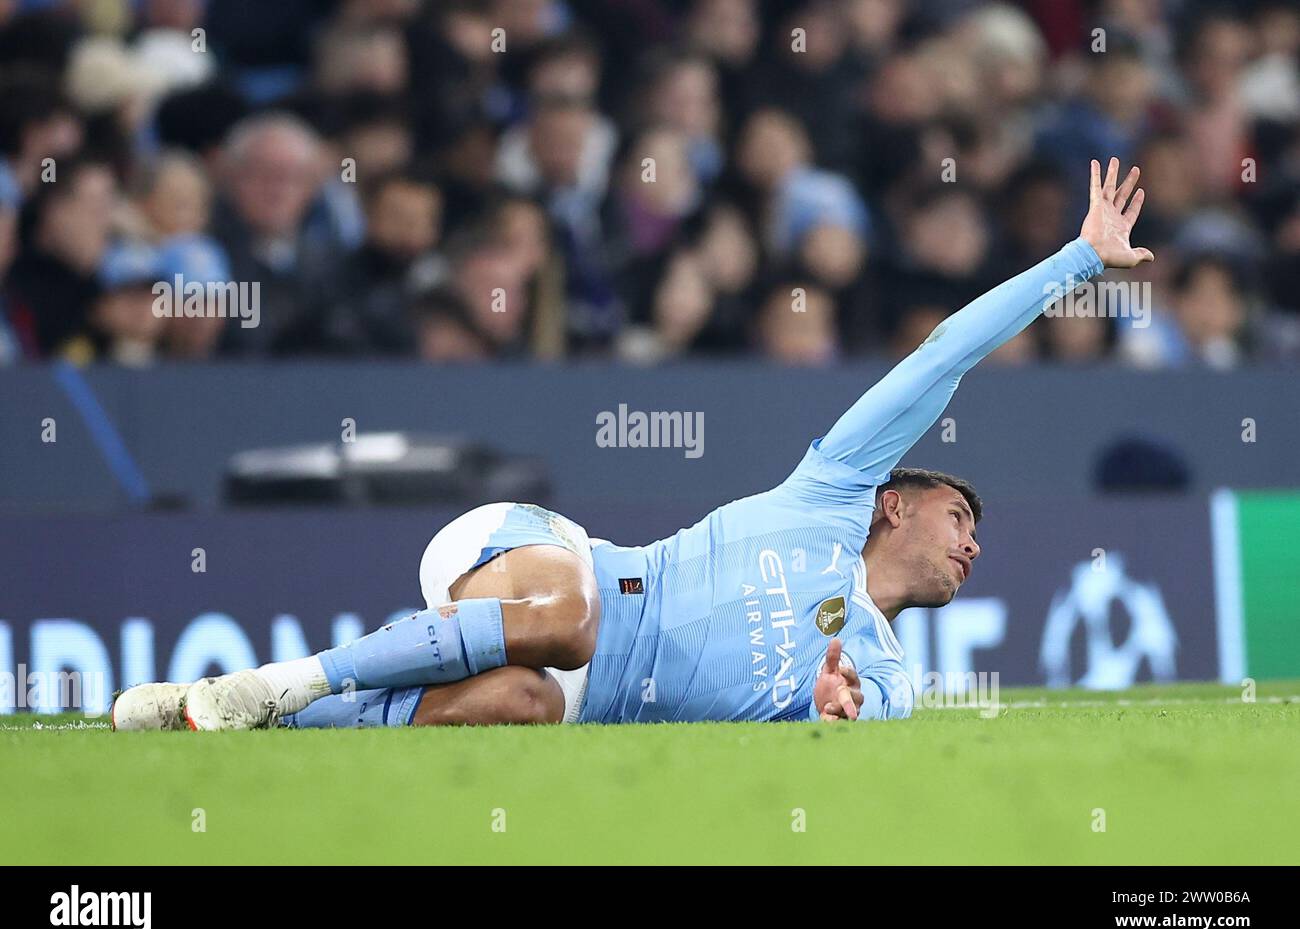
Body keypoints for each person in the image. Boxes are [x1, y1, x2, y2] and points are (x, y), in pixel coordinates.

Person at [113, 158, 1154, 732]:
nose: (973, 545)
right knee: (564, 619)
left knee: (521, 700)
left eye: (978, 537)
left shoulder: (886, 667)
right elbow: (941, 355)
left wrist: (836, 713)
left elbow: (865, 717)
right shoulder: (833, 486)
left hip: (577, 694)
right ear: (898, 499)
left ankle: (233, 718)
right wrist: (1075, 260)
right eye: (961, 517)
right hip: (535, 557)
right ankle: (288, 681)